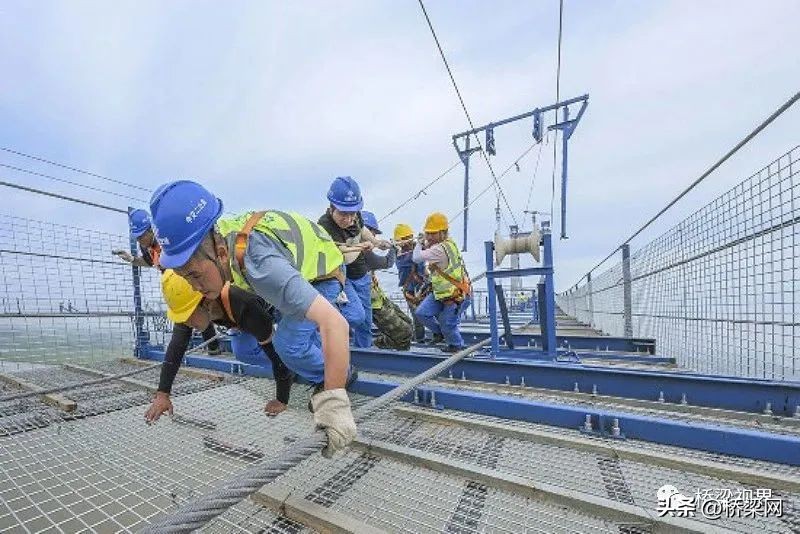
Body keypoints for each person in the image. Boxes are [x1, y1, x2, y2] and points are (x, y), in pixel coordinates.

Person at [149, 180, 356, 457]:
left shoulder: (260, 266)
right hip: (296, 264)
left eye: (195, 275)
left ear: (221, 253)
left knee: (288, 345)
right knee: (289, 335)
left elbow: (335, 324)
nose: (196, 288)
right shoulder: (218, 240)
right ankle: (326, 364)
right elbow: (179, 338)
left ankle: (342, 374)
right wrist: (163, 392)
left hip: (324, 272)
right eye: (187, 278)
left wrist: (334, 409)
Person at [144, 270, 294, 424]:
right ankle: (290, 368)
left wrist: (281, 399)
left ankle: (295, 367)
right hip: (238, 318)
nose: (186, 323)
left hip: (274, 307)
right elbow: (176, 349)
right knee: (242, 353)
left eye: (187, 318)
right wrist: (162, 395)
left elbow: (276, 355)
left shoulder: (244, 305)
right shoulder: (194, 304)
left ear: (207, 304)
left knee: (291, 351)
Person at [112, 208, 221, 356]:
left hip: (188, 281)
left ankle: (206, 348)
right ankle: (211, 347)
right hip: (175, 287)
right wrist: (132, 259)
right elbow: (149, 261)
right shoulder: (147, 248)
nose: (140, 241)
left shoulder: (167, 239)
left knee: (194, 315)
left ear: (151, 230)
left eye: (141, 236)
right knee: (191, 318)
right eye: (137, 238)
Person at [317, 176, 391, 348]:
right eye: (344, 214)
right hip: (342, 277)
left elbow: (362, 230)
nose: (349, 219)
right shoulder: (324, 226)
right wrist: (360, 247)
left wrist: (376, 241)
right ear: (332, 208)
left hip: (361, 275)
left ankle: (363, 351)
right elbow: (343, 256)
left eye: (352, 214)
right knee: (355, 317)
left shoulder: (355, 216)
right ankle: (322, 328)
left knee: (366, 320)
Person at [413, 212, 472, 353]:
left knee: (448, 324)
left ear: (442, 233)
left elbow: (416, 258)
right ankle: (441, 333)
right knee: (421, 313)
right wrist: (425, 242)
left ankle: (456, 347)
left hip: (455, 295)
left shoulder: (439, 250)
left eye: (433, 233)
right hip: (442, 293)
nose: (429, 237)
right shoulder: (448, 244)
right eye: (428, 233)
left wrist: (419, 243)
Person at [360, 211, 412, 351]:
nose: (374, 237)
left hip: (377, 299)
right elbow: (387, 262)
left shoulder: (363, 250)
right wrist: (393, 249)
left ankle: (379, 343)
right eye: (372, 233)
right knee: (404, 332)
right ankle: (379, 347)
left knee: (408, 323)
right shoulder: (362, 252)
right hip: (372, 303)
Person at [394, 223, 430, 343]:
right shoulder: (400, 255)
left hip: (421, 288)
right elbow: (407, 261)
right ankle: (420, 338)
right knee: (417, 315)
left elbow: (421, 259)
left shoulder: (417, 250)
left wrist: (422, 243)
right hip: (409, 290)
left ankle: (430, 336)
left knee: (425, 314)